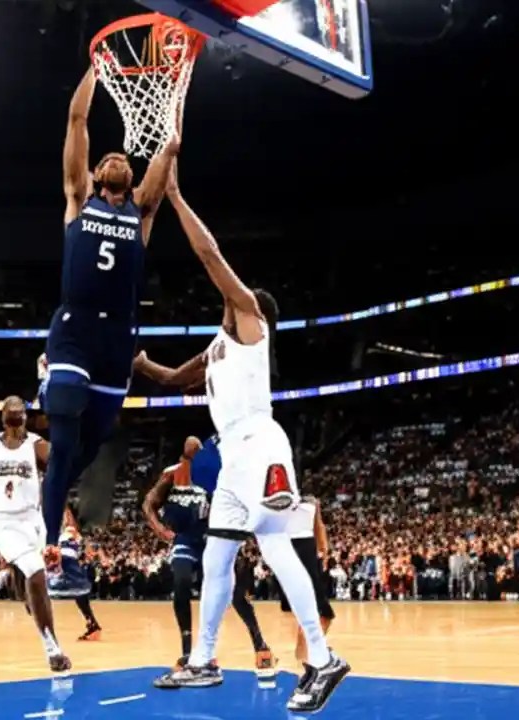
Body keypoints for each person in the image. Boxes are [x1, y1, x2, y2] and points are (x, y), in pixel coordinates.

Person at [135, 163, 350, 713]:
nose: (228, 299)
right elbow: (176, 377)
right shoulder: (219, 345)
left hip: (260, 444)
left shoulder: (252, 322)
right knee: (217, 556)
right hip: (231, 455)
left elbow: (210, 258)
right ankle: (204, 660)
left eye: (234, 297)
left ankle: (322, 659)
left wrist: (177, 198)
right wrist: (139, 363)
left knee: (277, 548)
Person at [40, 65, 180, 565]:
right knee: (62, 439)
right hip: (75, 333)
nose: (118, 157)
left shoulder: (141, 211)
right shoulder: (78, 198)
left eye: (124, 155)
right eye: (110, 156)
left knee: (91, 442)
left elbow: (168, 148)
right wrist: (96, 68)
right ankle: (50, 538)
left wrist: (177, 88)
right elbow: (78, 119)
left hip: (118, 341)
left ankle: (51, 506)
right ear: (97, 175)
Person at [143, 435, 277, 682]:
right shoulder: (173, 474)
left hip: (214, 537)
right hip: (185, 539)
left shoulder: (217, 473)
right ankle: (187, 653)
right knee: (181, 583)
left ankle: (260, 644)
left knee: (236, 594)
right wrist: (161, 530)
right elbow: (148, 503)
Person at [0, 396, 71, 674]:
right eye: (10, 409)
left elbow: (62, 473)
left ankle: (26, 594)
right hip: (0, 522)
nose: (14, 413)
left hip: (32, 521)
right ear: (2, 416)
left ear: (26, 416)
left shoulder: (37, 446)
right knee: (35, 572)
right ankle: (53, 648)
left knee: (36, 582)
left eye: (20, 410)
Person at [276, 496, 335, 662]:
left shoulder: (312, 502)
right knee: (316, 611)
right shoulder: (281, 499)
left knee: (321, 612)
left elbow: (318, 525)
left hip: (307, 550)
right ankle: (307, 654)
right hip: (290, 548)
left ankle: (305, 653)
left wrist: (324, 549)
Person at [49, 507, 103, 641]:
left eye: (68, 515)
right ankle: (93, 625)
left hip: (67, 563)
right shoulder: (66, 532)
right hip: (66, 563)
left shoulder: (71, 530)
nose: (65, 517)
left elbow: (85, 545)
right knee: (80, 597)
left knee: (79, 596)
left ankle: (93, 625)